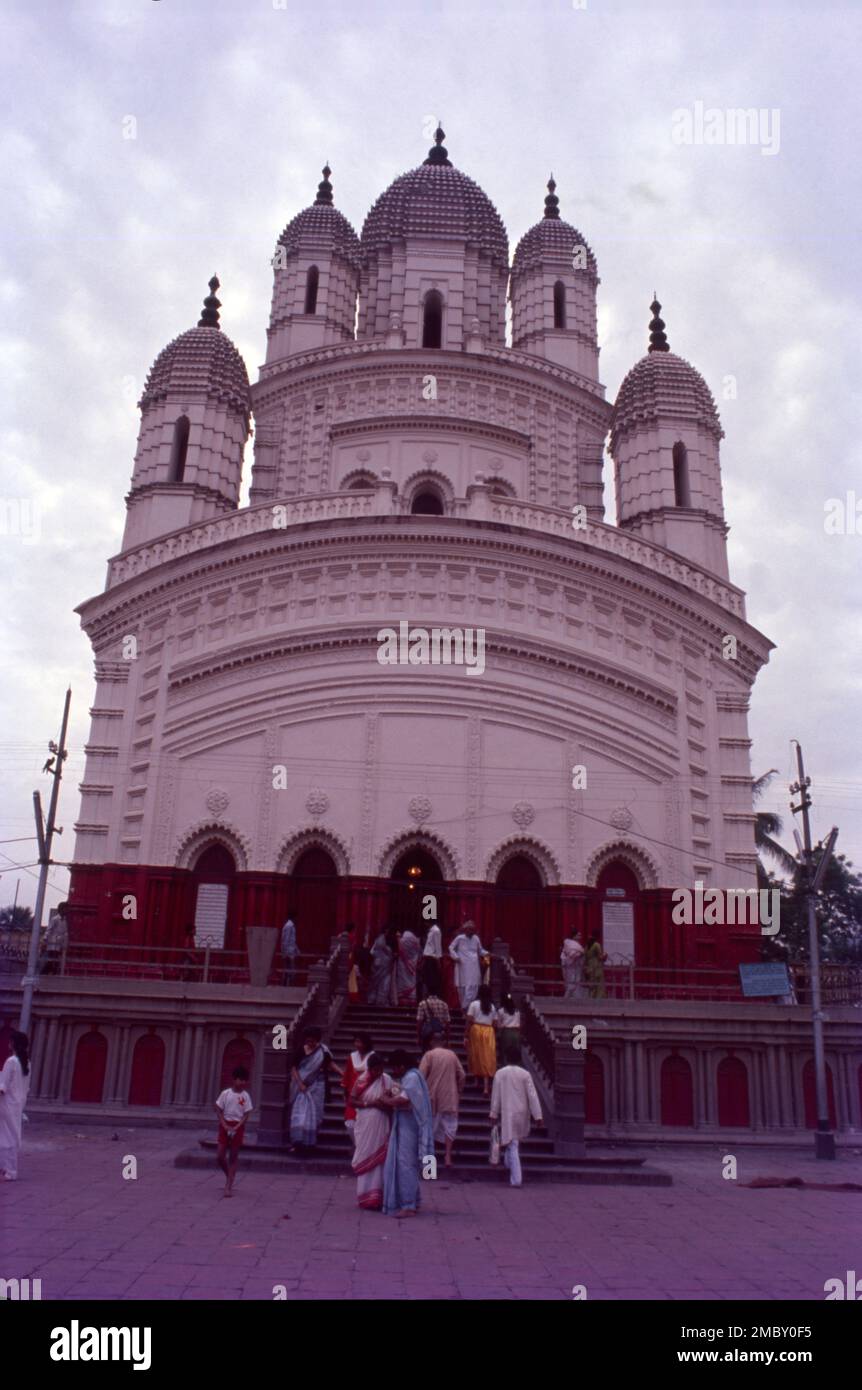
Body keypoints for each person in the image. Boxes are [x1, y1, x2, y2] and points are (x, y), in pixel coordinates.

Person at [381, 1049, 434, 1218]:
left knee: (405, 1164)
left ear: (402, 1066)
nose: (394, 1072)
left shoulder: (411, 1077)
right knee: (408, 1164)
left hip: (410, 1125)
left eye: (395, 1068)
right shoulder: (414, 1075)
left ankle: (409, 1205)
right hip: (408, 1124)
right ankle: (414, 1201)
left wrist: (386, 1100)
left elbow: (403, 1099)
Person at [489, 1044, 542, 1188]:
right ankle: (509, 1164)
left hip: (508, 1111)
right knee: (514, 1141)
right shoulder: (525, 1074)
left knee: (512, 1143)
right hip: (522, 1112)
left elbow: (496, 1096)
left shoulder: (500, 1073)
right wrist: (537, 1115)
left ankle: (516, 1179)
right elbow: (532, 1096)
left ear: (506, 1058)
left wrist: (494, 1113)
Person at [350, 1053, 394, 1210]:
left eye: (381, 1069)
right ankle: (365, 1197)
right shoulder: (362, 1080)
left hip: (382, 1122)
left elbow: (392, 1097)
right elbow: (352, 1100)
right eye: (376, 1070)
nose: (379, 1073)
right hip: (366, 1121)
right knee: (366, 1155)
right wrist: (372, 1103)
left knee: (381, 1160)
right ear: (370, 1069)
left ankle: (379, 1197)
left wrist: (386, 1102)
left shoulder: (387, 1079)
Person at [287, 1027, 342, 1152]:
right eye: (308, 1041)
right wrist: (300, 1084)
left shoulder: (323, 1051)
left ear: (317, 1040)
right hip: (302, 1087)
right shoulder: (301, 1050)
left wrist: (341, 1072)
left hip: (318, 1086)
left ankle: (310, 1143)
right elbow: (294, 1068)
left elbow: (330, 1064)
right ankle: (297, 1143)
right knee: (300, 1114)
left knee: (315, 1114)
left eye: (312, 1041)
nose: (310, 1044)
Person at [419, 1034, 465, 1168]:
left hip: (432, 1097)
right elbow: (461, 1074)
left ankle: (429, 1168)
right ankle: (448, 1156)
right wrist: (459, 1090)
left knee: (429, 1131)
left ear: (432, 1042)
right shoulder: (452, 1055)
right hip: (450, 1097)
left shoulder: (429, 1055)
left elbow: (421, 1075)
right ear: (443, 1042)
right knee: (450, 1127)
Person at [214, 1065, 253, 1198]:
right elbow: (218, 1109)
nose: (242, 1083)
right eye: (240, 1080)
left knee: (233, 1156)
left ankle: (228, 1186)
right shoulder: (226, 1094)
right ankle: (229, 1175)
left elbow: (247, 1113)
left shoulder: (245, 1096)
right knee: (220, 1156)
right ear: (234, 1079)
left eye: (244, 1080)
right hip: (225, 1125)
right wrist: (224, 1124)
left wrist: (237, 1127)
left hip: (238, 1126)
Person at [0, 1030, 30, 1182]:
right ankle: (7, 1169)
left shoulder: (11, 1061)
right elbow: (26, 1087)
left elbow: (2, 1086)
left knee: (6, 1137)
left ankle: (9, 1170)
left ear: (14, 1044)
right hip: (17, 1105)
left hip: (6, 1104)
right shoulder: (26, 1063)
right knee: (11, 1136)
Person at [341, 1031, 374, 1145]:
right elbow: (347, 1075)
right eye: (355, 1041)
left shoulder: (372, 1057)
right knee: (350, 1122)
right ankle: (358, 1144)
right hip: (353, 1094)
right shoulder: (352, 1056)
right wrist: (345, 1092)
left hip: (367, 1094)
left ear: (366, 1043)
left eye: (359, 1041)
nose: (357, 1044)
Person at [465, 983, 497, 1096]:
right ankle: (486, 1086)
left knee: (476, 1055)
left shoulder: (474, 1004)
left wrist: (466, 1035)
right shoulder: (492, 1007)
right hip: (489, 1031)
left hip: (476, 1030)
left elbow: (469, 1020)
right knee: (487, 1056)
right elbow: (495, 1022)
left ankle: (476, 1081)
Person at [448, 920, 485, 1010]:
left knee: (474, 986)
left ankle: (466, 1008)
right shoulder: (460, 938)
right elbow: (451, 948)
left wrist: (488, 954)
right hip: (462, 966)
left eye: (473, 930)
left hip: (474, 966)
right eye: (469, 929)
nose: (471, 931)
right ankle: (464, 1008)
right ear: (465, 930)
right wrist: (455, 957)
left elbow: (480, 951)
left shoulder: (476, 938)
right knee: (462, 988)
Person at [367, 928, 395, 1006]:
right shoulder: (381, 940)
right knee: (383, 983)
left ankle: (373, 999)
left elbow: (372, 952)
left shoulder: (377, 941)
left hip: (379, 964)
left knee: (376, 983)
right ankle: (380, 1000)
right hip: (382, 965)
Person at [396, 926, 421, 1006]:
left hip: (403, 964)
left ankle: (402, 998)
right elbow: (419, 952)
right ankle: (411, 998)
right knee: (411, 981)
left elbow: (399, 950)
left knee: (402, 980)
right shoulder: (416, 941)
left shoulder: (402, 941)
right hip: (413, 964)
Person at [420, 919, 443, 999]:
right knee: (426, 979)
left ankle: (431, 997)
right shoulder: (431, 931)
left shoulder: (436, 931)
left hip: (432, 959)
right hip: (428, 958)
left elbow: (437, 946)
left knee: (431, 980)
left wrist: (438, 960)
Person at [560, 927, 585, 999]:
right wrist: (579, 954)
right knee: (571, 982)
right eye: (579, 935)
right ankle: (566, 998)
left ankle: (572, 998)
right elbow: (570, 955)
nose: (580, 937)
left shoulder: (576, 945)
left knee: (575, 982)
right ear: (574, 936)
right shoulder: (570, 943)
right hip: (570, 965)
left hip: (575, 966)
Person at [584, 933, 607, 999]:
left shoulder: (587, 946)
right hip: (596, 966)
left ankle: (590, 998)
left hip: (589, 966)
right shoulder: (597, 945)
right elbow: (600, 957)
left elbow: (585, 957)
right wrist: (605, 955)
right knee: (599, 984)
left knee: (591, 984)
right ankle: (598, 999)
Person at [281, 913, 298, 985]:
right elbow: (287, 939)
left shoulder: (289, 926)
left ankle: (286, 982)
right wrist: (285, 951)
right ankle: (289, 983)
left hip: (290, 949)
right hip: (289, 950)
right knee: (291, 967)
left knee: (288, 967)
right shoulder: (289, 926)